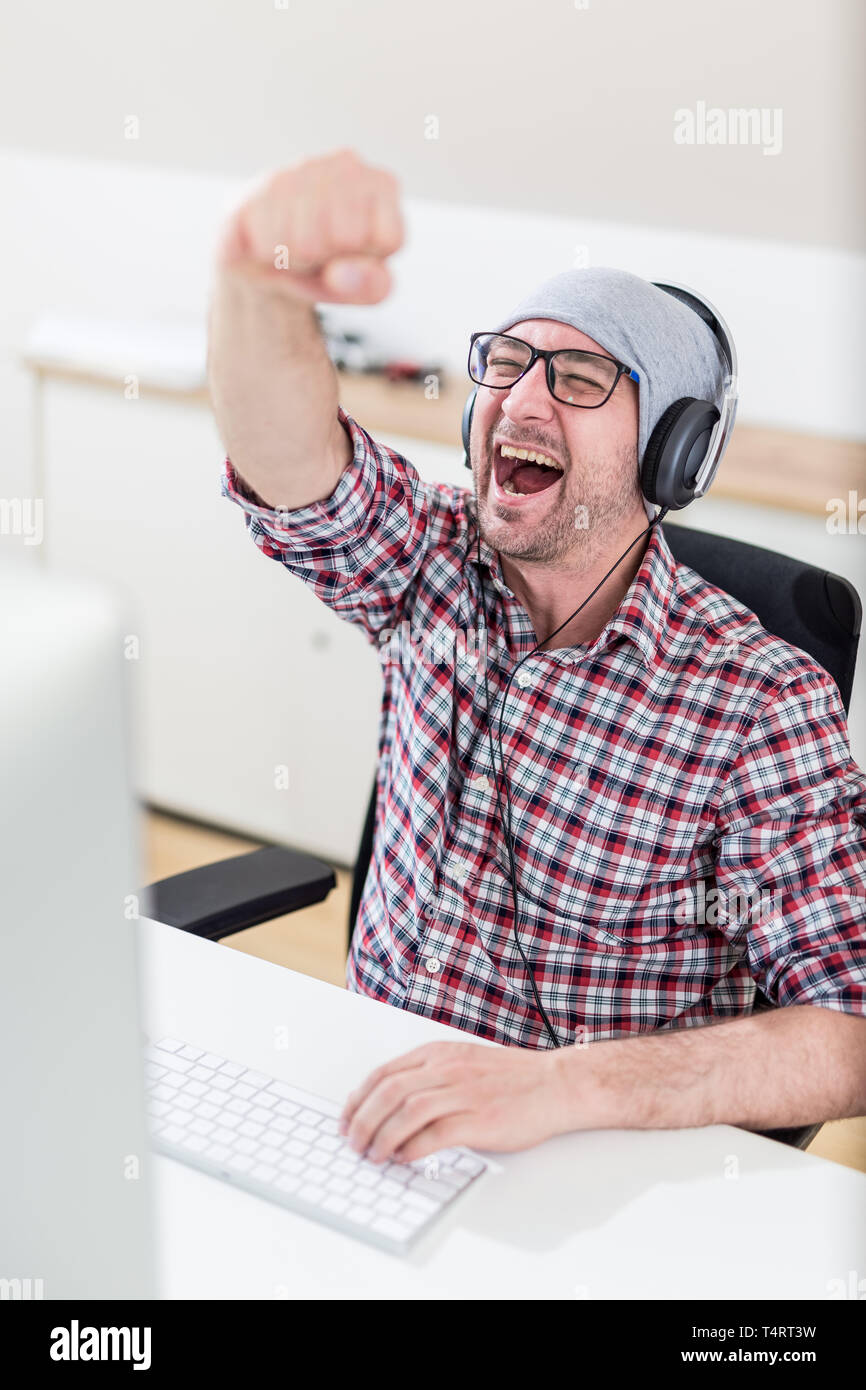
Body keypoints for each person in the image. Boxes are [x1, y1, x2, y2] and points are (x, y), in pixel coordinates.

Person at [209, 149, 866, 1166]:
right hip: (372, 1117)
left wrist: (563, 1085)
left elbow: (847, 1028)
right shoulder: (431, 562)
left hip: (583, 1163)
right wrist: (254, 281)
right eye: (506, 364)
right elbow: (290, 461)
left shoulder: (756, 700)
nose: (520, 399)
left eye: (578, 377)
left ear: (669, 454)